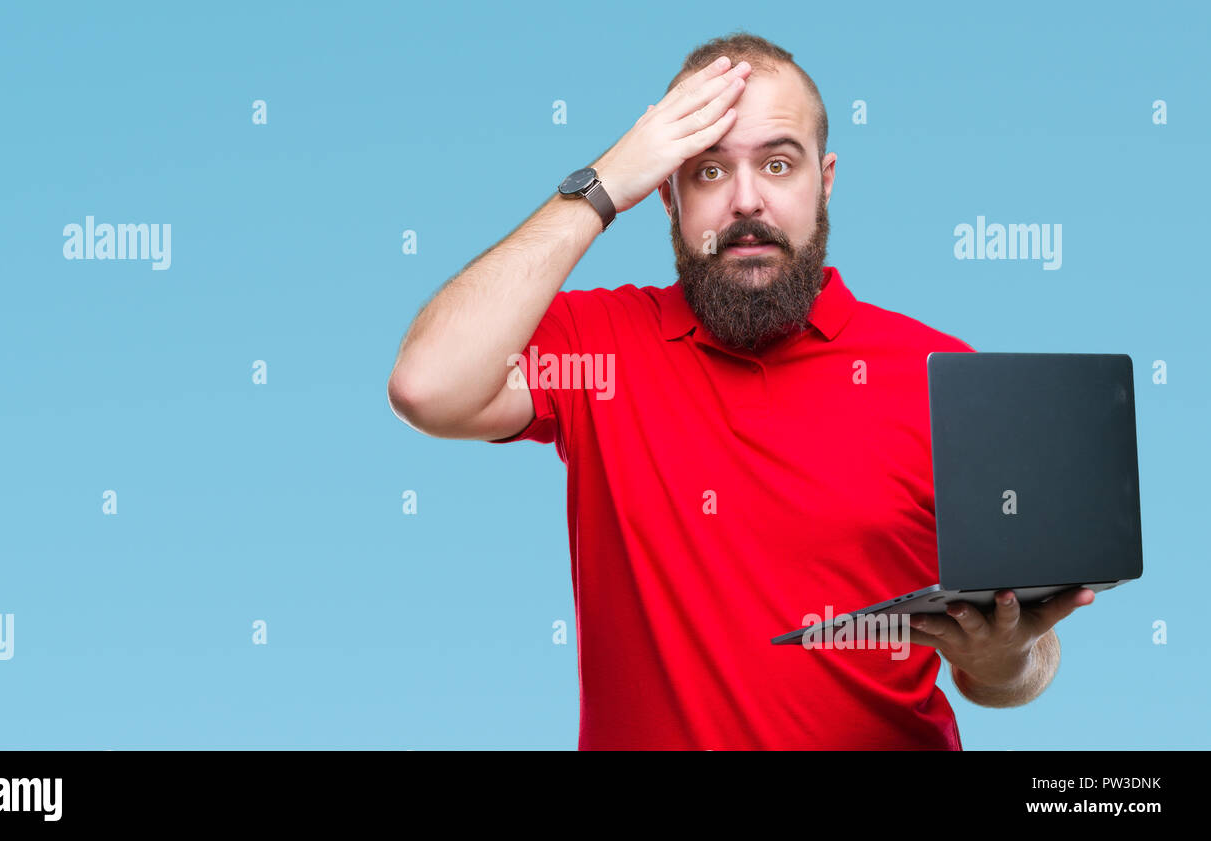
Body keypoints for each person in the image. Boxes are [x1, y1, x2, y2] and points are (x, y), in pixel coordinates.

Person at [387, 31, 1093, 749]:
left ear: (826, 180)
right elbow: (427, 384)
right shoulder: (597, 345)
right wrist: (602, 185)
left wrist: (1002, 658)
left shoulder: (941, 372)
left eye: (779, 164)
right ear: (665, 195)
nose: (746, 200)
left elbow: (1025, 662)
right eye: (709, 171)